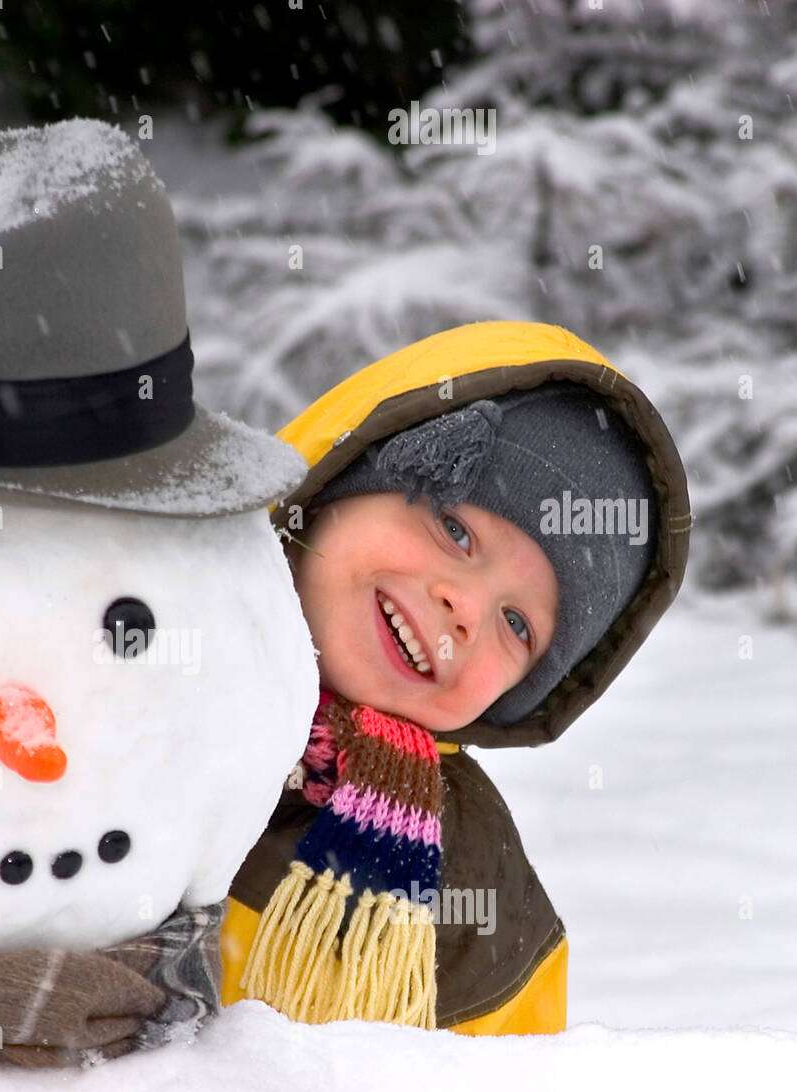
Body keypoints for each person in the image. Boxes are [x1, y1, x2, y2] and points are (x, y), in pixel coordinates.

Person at [221, 320, 691, 1035]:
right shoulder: (122, 629)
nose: (465, 608)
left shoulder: (473, 882)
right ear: (339, 479)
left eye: (518, 625)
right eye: (457, 529)